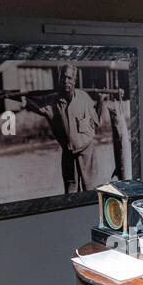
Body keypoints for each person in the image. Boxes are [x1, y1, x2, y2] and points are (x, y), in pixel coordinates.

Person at [23, 63, 104, 194]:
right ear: (59, 79)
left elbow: (97, 122)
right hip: (68, 154)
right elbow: (28, 102)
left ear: (74, 80)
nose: (65, 81)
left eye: (69, 78)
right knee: (70, 192)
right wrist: (4, 95)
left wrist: (101, 101)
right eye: (62, 78)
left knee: (90, 189)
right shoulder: (53, 101)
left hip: (87, 152)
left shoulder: (84, 98)